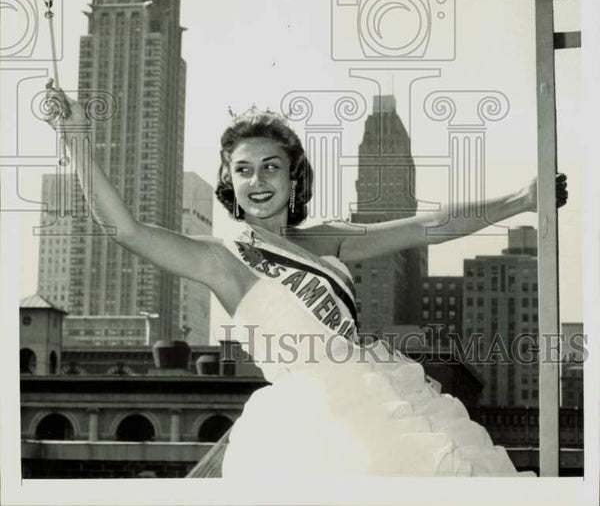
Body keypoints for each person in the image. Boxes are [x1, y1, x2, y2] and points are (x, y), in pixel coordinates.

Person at [44, 84, 567, 478]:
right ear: (229, 181)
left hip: (380, 397)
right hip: (308, 422)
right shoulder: (220, 259)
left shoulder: (327, 240)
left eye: (271, 167)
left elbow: (429, 225)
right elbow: (126, 230)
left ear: (293, 176)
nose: (258, 181)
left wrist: (520, 199)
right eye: (244, 169)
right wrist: (76, 141)